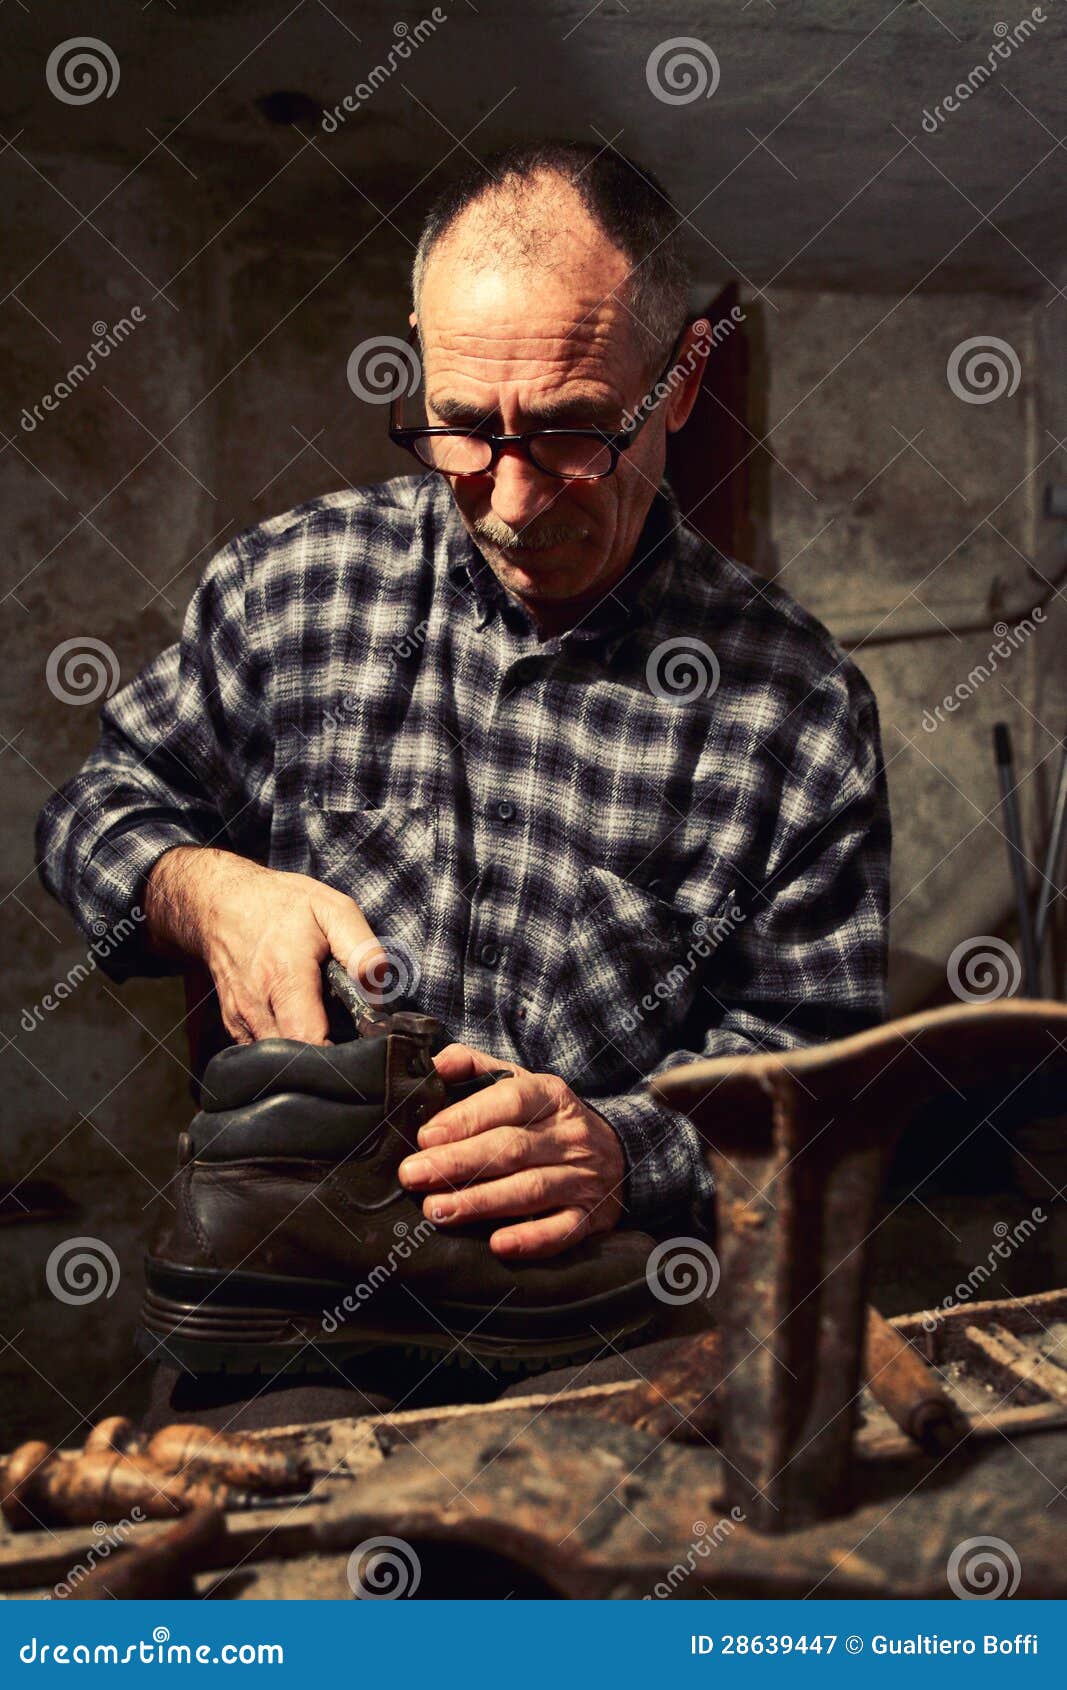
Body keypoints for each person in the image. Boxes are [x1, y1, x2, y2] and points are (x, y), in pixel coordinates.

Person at [38, 140, 890, 1298]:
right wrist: (206, 890)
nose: (511, 496)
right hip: (292, 1294)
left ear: (682, 380)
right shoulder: (289, 587)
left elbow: (819, 1076)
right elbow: (94, 814)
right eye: (460, 425)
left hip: (604, 1301)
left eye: (571, 431)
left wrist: (621, 1151)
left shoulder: (799, 709)